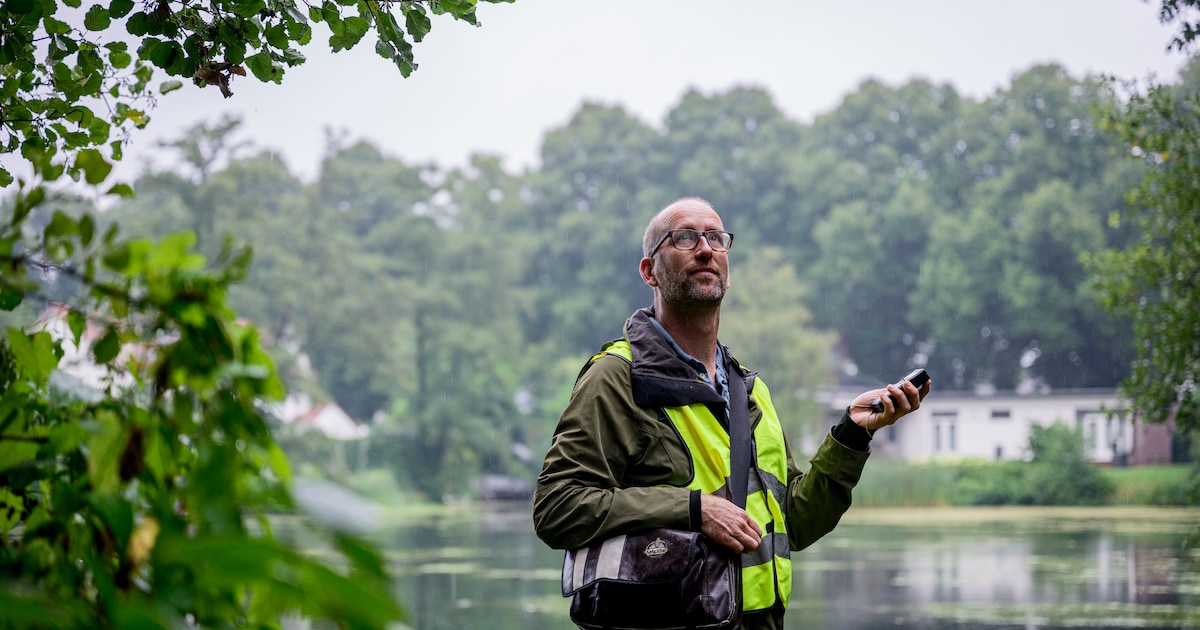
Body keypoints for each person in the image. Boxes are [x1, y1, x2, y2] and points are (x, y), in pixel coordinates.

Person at [532, 196, 931, 629]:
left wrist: (852, 435)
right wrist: (694, 509)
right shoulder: (616, 377)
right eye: (683, 238)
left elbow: (794, 523)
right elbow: (558, 507)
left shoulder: (750, 391)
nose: (705, 248)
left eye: (716, 239)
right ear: (649, 271)